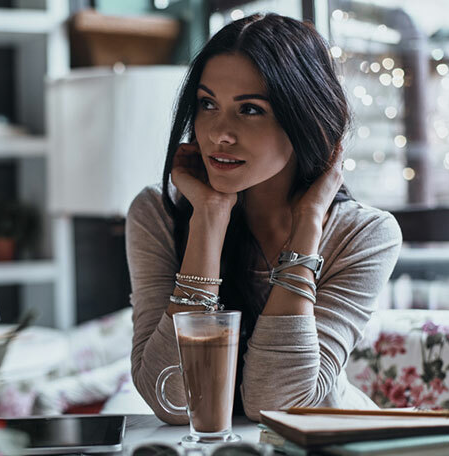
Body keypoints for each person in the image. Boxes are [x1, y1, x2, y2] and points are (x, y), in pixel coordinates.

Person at [126, 13, 402, 424]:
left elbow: (275, 404)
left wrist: (307, 223)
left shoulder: (364, 234)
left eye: (250, 110)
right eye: (207, 104)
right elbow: (172, 400)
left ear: (305, 119)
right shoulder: (158, 214)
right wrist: (208, 219)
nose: (220, 133)